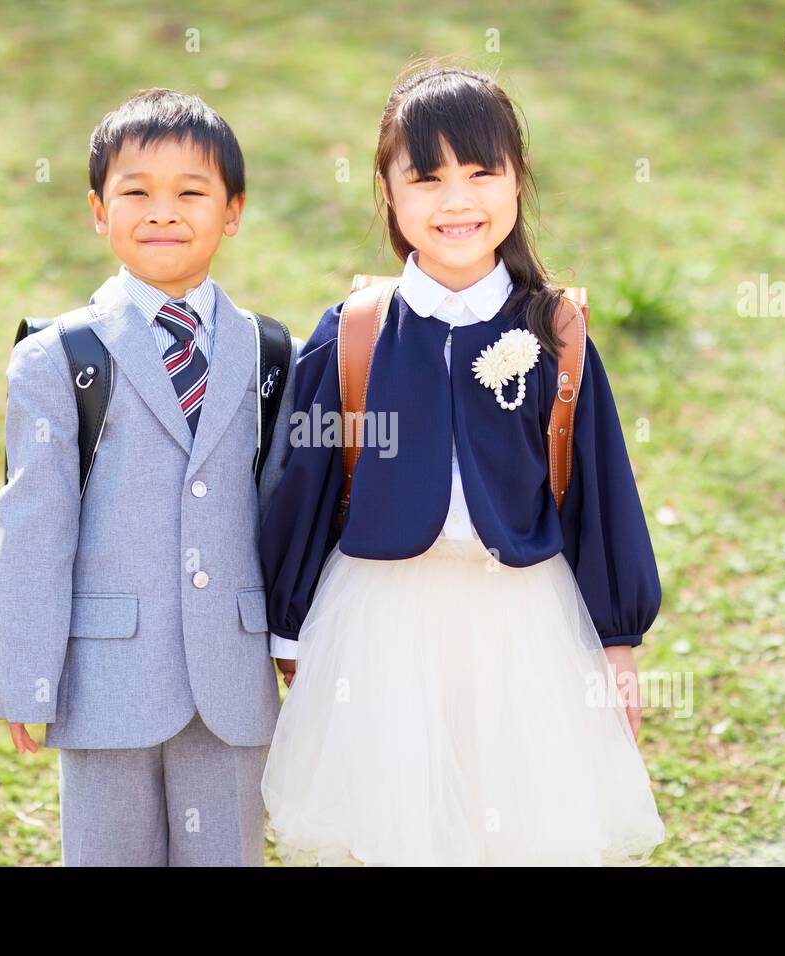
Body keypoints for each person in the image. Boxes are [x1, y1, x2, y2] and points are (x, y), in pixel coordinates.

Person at [259, 64, 667, 866]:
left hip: (521, 618)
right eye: (427, 177)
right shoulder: (353, 334)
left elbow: (597, 489)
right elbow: (301, 489)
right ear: (387, 189)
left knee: (514, 825)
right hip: (379, 620)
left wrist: (616, 644)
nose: (456, 201)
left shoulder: (555, 334)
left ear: (518, 181)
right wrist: (289, 632)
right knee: (399, 824)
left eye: (483, 173)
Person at [0, 88, 298, 866]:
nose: (163, 211)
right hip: (105, 676)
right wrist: (25, 673)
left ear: (233, 211)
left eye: (191, 192)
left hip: (233, 672)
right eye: (135, 193)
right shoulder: (58, 358)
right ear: (98, 210)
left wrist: (299, 644)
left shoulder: (269, 351)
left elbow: (285, 510)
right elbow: (33, 526)